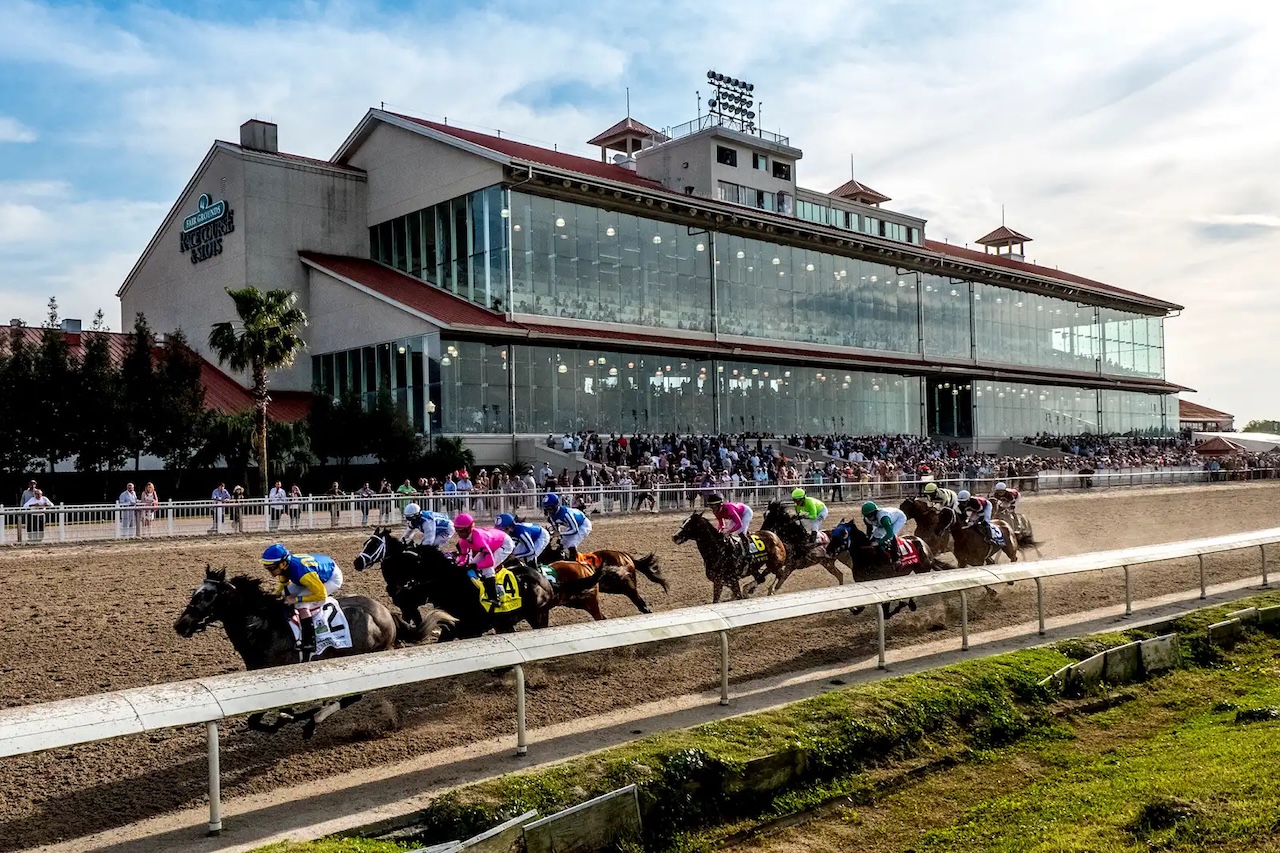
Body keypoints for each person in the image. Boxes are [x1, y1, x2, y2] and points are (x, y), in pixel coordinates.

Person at [260, 543, 343, 658]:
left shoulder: (302, 573)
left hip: (331, 578)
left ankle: (309, 643)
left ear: (283, 564)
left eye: (271, 568)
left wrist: (297, 599)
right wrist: (276, 595)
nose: (270, 571)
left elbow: (321, 595)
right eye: (267, 568)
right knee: (285, 594)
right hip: (311, 574)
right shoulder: (285, 567)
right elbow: (284, 584)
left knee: (301, 605)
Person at [453, 513, 516, 610]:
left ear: (469, 528)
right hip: (491, 543)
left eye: (461, 531)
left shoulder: (478, 538)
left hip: (504, 543)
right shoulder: (463, 541)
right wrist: (457, 566)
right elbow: (462, 559)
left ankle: (494, 597)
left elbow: (489, 561)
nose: (459, 534)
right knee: (472, 564)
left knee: (487, 569)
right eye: (457, 531)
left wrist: (477, 566)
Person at [542, 492, 592, 559]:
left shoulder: (566, 514)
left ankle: (574, 561)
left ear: (556, 505)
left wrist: (560, 533)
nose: (548, 511)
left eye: (549, 508)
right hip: (573, 526)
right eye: (546, 509)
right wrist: (553, 533)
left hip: (584, 525)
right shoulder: (551, 516)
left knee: (571, 544)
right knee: (563, 544)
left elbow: (575, 530)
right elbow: (557, 531)